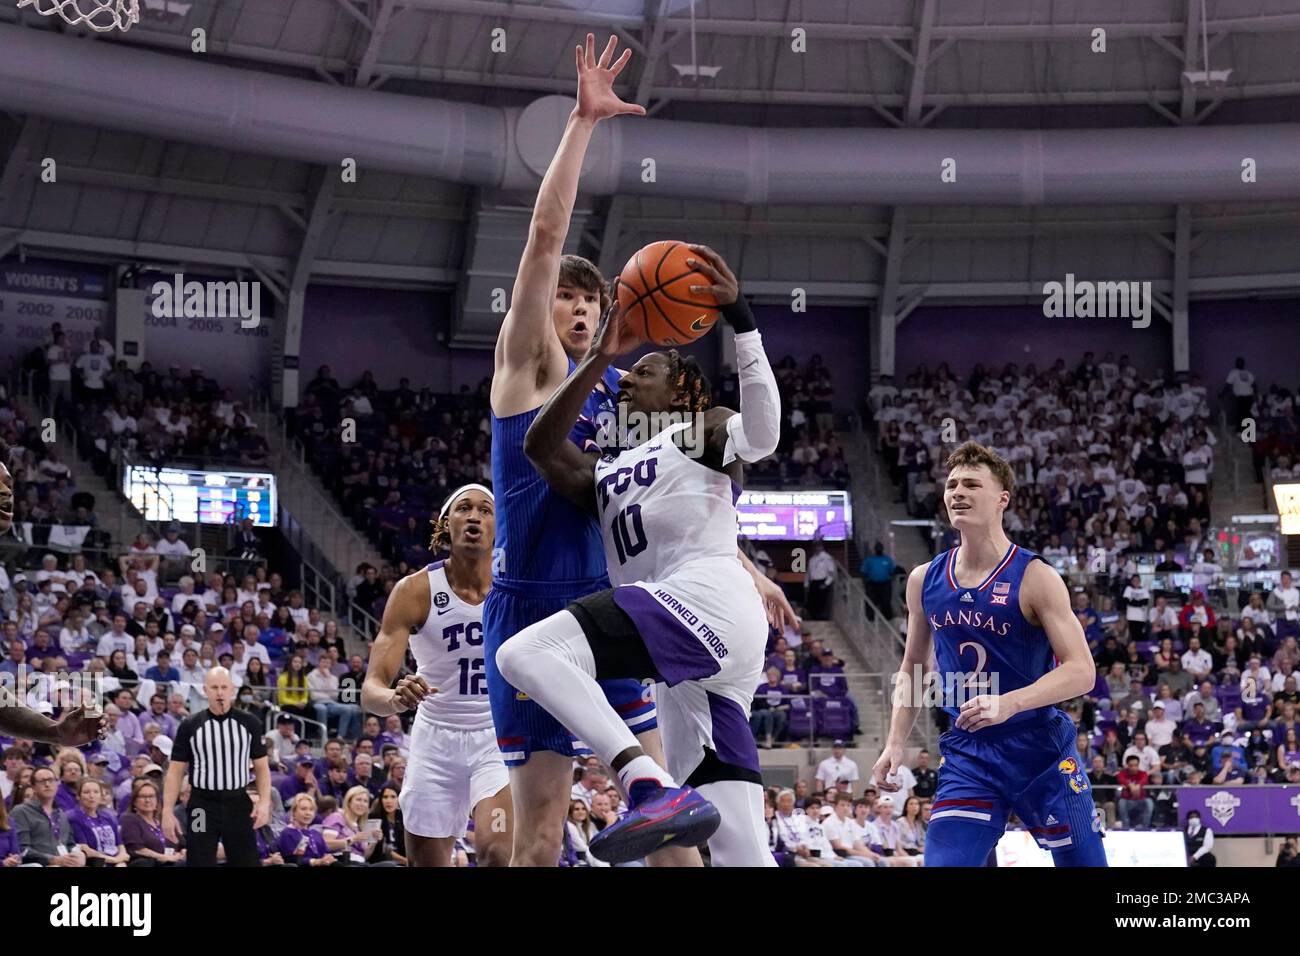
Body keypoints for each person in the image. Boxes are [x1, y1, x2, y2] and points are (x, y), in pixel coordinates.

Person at [502, 241, 785, 867]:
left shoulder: (703, 427)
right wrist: (600, 353)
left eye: (643, 372)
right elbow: (539, 447)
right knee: (739, 847)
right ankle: (663, 791)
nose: (626, 379)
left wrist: (741, 319)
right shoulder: (606, 471)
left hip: (699, 603)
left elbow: (763, 434)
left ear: (683, 389)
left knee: (525, 652)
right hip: (689, 659)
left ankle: (643, 784)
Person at [481, 32, 676, 869]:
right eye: (566, 297)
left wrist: (744, 568)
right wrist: (584, 123)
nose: (578, 309)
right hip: (529, 610)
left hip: (605, 607)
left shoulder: (614, 395)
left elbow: (653, 499)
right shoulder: (526, 369)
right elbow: (543, 234)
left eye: (590, 302)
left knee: (673, 812)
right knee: (538, 835)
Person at [872, 441, 1106, 866]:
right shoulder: (924, 579)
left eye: (972, 484)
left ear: (1002, 499)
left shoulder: (1036, 577)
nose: (957, 492)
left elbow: (1081, 672)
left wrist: (1008, 702)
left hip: (1040, 750)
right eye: (952, 484)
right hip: (969, 753)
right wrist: (894, 742)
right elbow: (914, 667)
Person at [361, 485, 512, 868]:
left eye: (485, 510)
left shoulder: (516, 587)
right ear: (447, 525)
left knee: (497, 851)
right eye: (464, 508)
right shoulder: (414, 590)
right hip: (435, 739)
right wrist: (394, 698)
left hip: (496, 737)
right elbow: (370, 691)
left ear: (498, 525)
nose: (475, 516)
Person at [162, 667, 271, 867]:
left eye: (223, 687)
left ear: (232, 689)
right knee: (198, 861)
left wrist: (264, 803)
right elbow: (175, 771)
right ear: (205, 690)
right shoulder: (190, 725)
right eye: (214, 687)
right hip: (201, 805)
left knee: (246, 861)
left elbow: (262, 767)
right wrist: (167, 811)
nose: (219, 692)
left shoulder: (250, 723)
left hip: (237, 803)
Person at [12, 767, 84, 867]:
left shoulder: (61, 814)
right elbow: (22, 849)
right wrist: (52, 860)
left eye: (51, 780)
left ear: (57, 784)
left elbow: (70, 844)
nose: (47, 784)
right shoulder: (21, 812)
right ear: (33, 787)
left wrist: (78, 854)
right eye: (42, 781)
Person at [68, 777, 127, 866]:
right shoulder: (74, 817)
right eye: (86, 792)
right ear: (78, 796)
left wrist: (121, 859)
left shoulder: (108, 817)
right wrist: (114, 860)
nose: (91, 796)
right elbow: (85, 849)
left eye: (96, 792)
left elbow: (120, 845)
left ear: (100, 796)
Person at [367, 785, 407, 866]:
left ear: (399, 799)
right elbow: (382, 850)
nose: (389, 801)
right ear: (380, 800)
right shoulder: (373, 818)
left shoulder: (404, 818)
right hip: (381, 861)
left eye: (393, 797)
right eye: (385, 797)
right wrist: (407, 862)